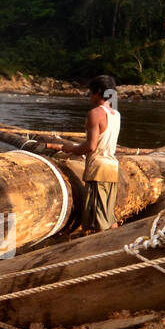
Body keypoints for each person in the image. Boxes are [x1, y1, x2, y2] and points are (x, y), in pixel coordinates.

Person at [45, 75, 121, 232]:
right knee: (108, 215)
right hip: (112, 168)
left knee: (98, 221)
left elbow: (91, 146)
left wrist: (70, 148)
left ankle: (106, 252)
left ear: (98, 93)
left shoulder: (95, 113)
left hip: (98, 170)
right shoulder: (116, 114)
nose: (90, 96)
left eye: (91, 93)